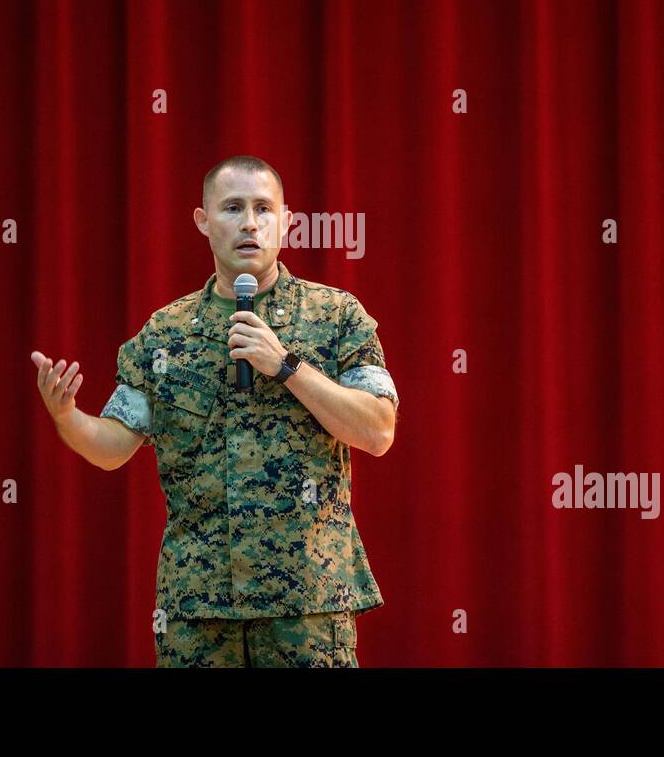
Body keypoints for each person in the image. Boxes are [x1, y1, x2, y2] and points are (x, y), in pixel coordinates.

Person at [30, 155, 398, 667]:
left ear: (286, 221)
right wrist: (67, 417)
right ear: (203, 221)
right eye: (232, 208)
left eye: (263, 208)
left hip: (308, 604)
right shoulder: (166, 333)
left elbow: (378, 431)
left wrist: (287, 364)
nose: (250, 222)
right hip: (198, 606)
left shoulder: (335, 316)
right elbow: (113, 448)